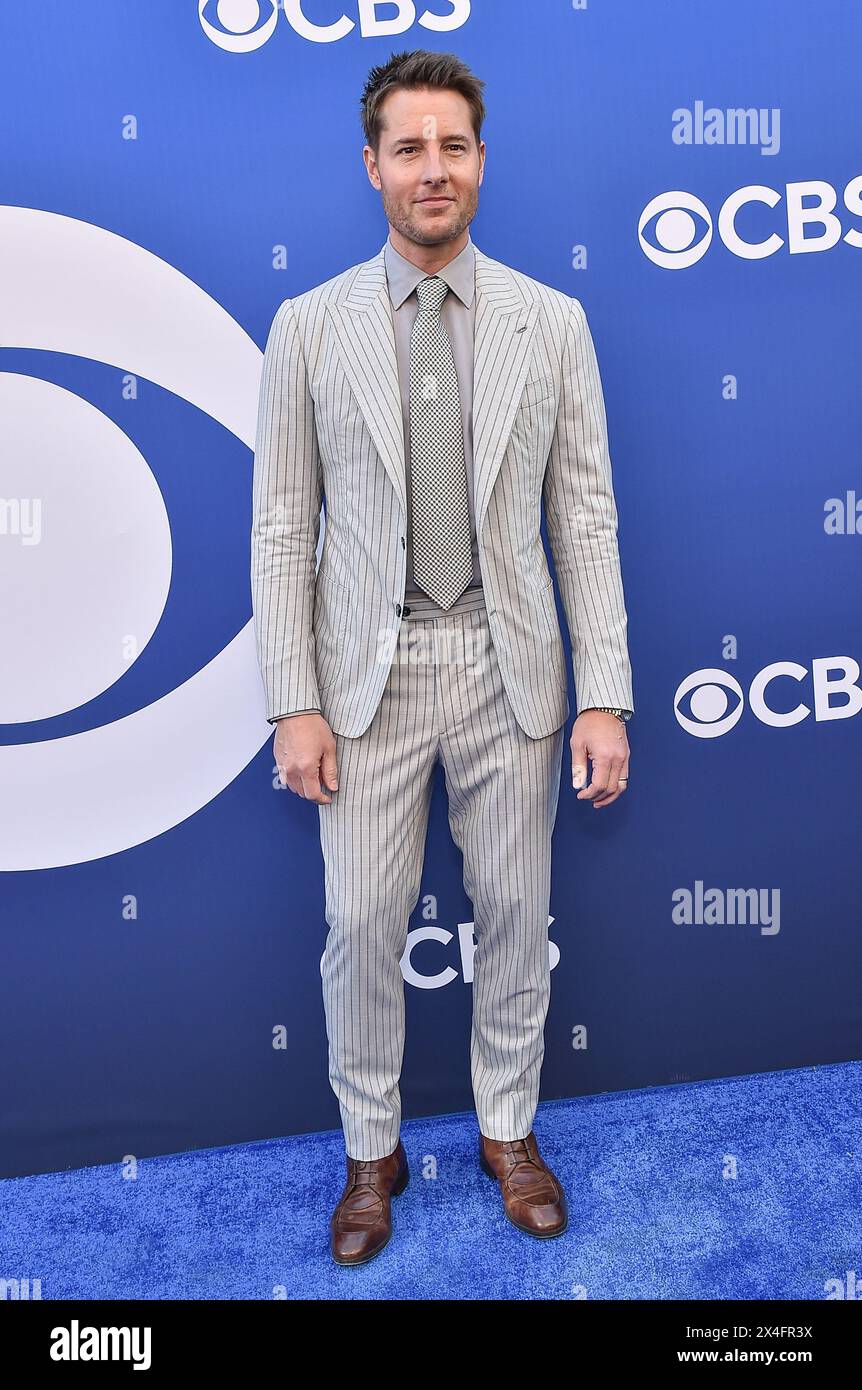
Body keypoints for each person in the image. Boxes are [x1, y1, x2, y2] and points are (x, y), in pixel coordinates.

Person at [251, 49, 634, 1266]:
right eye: (408, 148)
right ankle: (372, 1151)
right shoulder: (307, 327)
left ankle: (507, 1130)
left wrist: (606, 694)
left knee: (515, 912)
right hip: (363, 680)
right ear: (372, 167)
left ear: (480, 162)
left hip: (509, 667)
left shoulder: (550, 321)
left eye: (452, 147)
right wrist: (292, 703)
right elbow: (279, 526)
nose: (433, 170)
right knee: (362, 923)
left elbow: (584, 517)